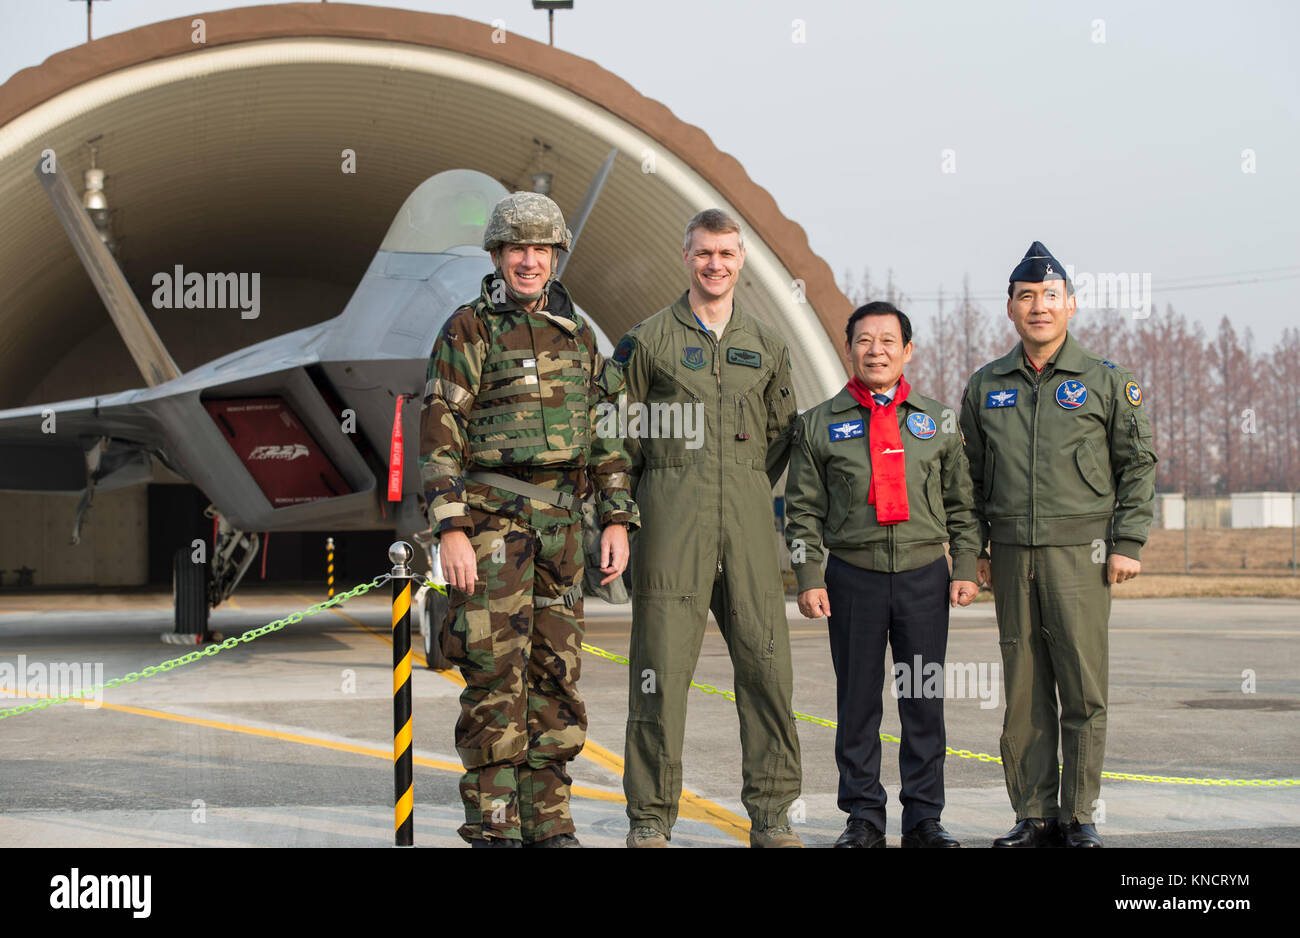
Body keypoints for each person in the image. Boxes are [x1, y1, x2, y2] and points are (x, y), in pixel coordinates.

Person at [417, 192, 638, 848]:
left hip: (563, 531)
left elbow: (605, 432)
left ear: (556, 256)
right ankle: (495, 827)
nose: (530, 260)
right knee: (493, 675)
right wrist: (450, 528)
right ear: (497, 255)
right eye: (518, 248)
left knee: (555, 674)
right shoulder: (469, 328)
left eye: (542, 249)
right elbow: (440, 426)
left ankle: (550, 823)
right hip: (490, 525)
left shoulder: (580, 336)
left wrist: (618, 519)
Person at [615, 208, 803, 848]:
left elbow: (782, 436)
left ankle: (773, 815)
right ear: (686, 256)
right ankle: (650, 818)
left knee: (767, 672)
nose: (714, 265)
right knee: (659, 677)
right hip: (672, 523)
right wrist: (633, 511)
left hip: (747, 525)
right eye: (703, 254)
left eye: (725, 254)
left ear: (741, 258)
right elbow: (617, 437)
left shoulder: (769, 346)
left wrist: (746, 482)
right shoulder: (646, 342)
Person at [959, 242, 1157, 848]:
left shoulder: (1105, 382)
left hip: (1084, 556)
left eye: (1050, 297)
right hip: (1013, 555)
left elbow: (1138, 464)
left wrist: (1128, 540)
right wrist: (975, 554)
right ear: (1010, 310)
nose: (1038, 307)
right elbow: (965, 480)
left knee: (1082, 687)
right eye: (1026, 297)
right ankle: (1035, 814)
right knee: (1023, 690)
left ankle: (1080, 816)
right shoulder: (986, 385)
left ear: (1070, 305)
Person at [784, 301, 980, 848]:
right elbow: (801, 511)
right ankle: (863, 817)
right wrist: (809, 576)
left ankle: (923, 818)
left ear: (907, 350)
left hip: (923, 578)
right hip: (853, 577)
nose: (876, 350)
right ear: (849, 350)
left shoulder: (938, 421)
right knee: (858, 702)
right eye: (864, 341)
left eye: (888, 341)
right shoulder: (819, 423)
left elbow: (962, 504)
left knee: (923, 701)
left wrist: (964, 565)